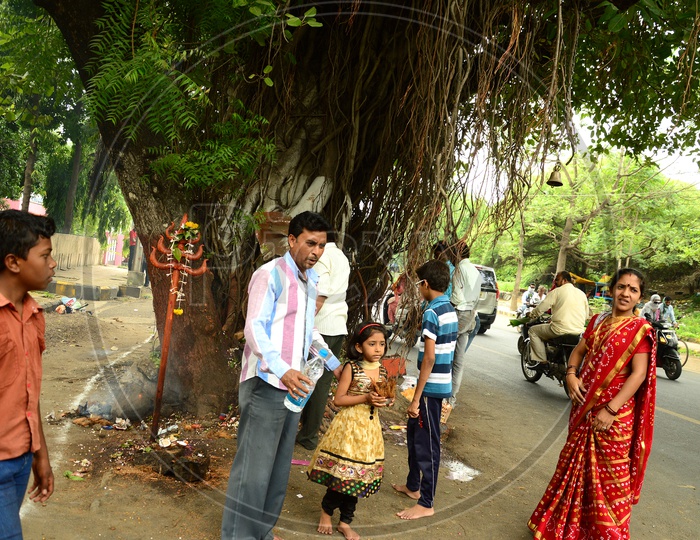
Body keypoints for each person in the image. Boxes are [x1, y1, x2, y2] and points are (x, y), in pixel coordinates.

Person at [221, 211, 342, 540]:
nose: (316, 252)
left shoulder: (310, 280)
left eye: (322, 246)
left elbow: (307, 332)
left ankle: (261, 530)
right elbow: (253, 329)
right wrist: (283, 369)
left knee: (277, 469)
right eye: (310, 243)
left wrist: (335, 364)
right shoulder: (270, 275)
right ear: (291, 240)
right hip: (267, 384)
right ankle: (239, 536)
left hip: (294, 390)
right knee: (254, 471)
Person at [528, 267, 656, 538]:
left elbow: (639, 374)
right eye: (621, 287)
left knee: (609, 480)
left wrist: (610, 410)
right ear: (611, 290)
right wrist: (571, 375)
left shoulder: (639, 329)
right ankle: (568, 527)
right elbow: (579, 350)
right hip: (584, 407)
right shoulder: (597, 321)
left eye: (633, 290)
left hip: (615, 417)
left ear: (640, 297)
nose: (625, 293)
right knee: (576, 469)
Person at [0, 210, 57, 538]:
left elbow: (27, 393)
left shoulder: (34, 315)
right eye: (45, 255)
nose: (52, 264)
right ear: (13, 262)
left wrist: (41, 456)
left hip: (21, 460)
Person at [307, 322, 392, 540]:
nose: (377, 349)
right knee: (343, 475)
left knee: (358, 478)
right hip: (348, 428)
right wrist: (365, 397)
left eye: (381, 344)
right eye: (372, 344)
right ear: (359, 346)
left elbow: (384, 395)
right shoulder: (351, 368)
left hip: (369, 432)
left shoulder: (382, 369)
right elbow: (339, 399)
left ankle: (345, 521)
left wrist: (387, 400)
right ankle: (326, 512)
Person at [393, 259, 457, 520]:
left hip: (430, 389)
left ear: (426, 284)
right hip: (439, 384)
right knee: (413, 435)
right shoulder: (449, 308)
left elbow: (429, 358)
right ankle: (413, 485)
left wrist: (416, 398)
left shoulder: (432, 312)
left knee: (427, 445)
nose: (418, 288)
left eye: (419, 283)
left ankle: (426, 502)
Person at [296, 232, 351, 451]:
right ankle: (307, 431)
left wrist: (308, 317)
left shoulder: (324, 255)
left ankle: (308, 435)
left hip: (322, 325)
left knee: (312, 381)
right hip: (338, 323)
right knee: (323, 382)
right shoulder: (341, 255)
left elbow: (322, 291)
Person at [445, 242, 482, 412]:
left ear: (456, 254)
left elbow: (457, 298)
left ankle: (443, 396)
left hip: (459, 312)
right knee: (459, 360)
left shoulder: (459, 269)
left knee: (445, 355)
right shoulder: (475, 270)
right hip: (471, 315)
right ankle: (451, 400)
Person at [528, 271, 589, 364]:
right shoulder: (582, 294)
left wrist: (531, 314)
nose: (555, 282)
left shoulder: (557, 291)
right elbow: (586, 315)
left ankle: (542, 361)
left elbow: (543, 306)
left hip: (559, 330)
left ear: (564, 280)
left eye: (557, 280)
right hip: (578, 332)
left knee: (533, 331)